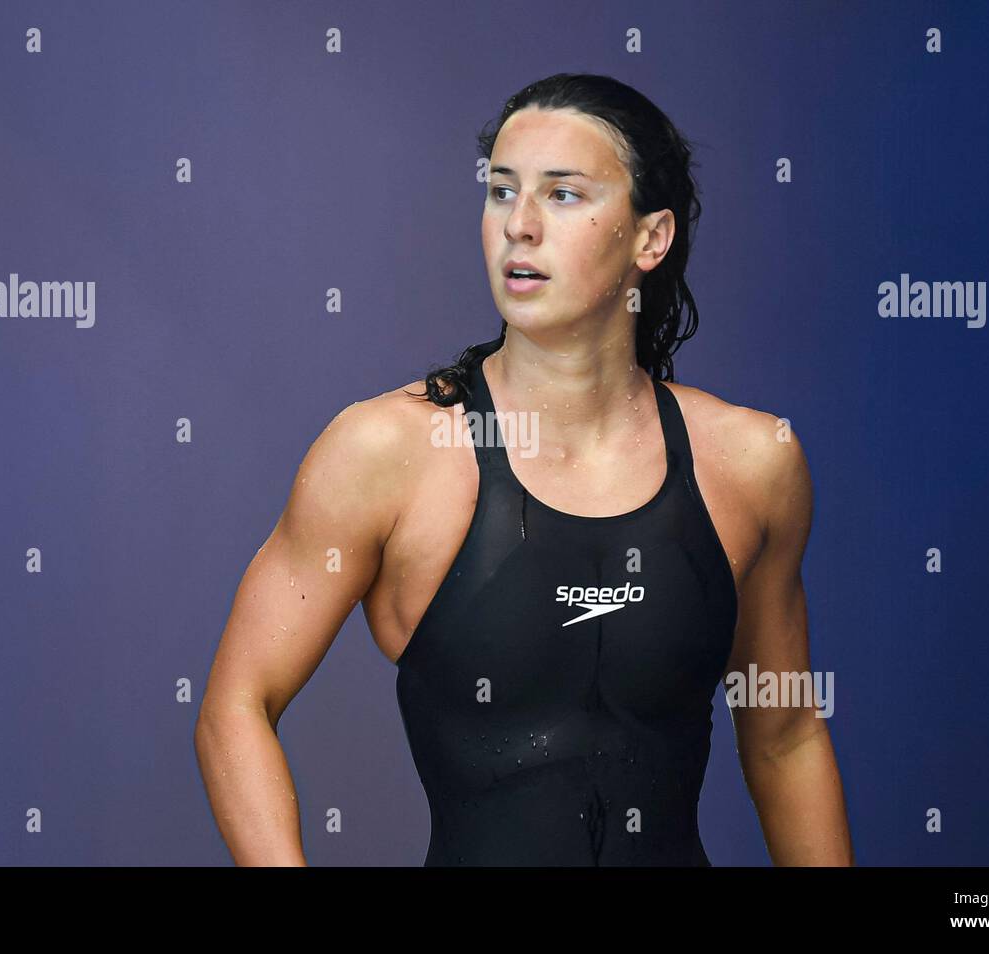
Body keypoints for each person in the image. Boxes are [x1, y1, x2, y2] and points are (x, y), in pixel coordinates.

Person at [195, 73, 853, 866]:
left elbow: (784, 736)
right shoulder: (389, 454)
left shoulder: (751, 463)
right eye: (501, 192)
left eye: (564, 195)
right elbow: (237, 704)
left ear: (651, 238)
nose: (521, 226)